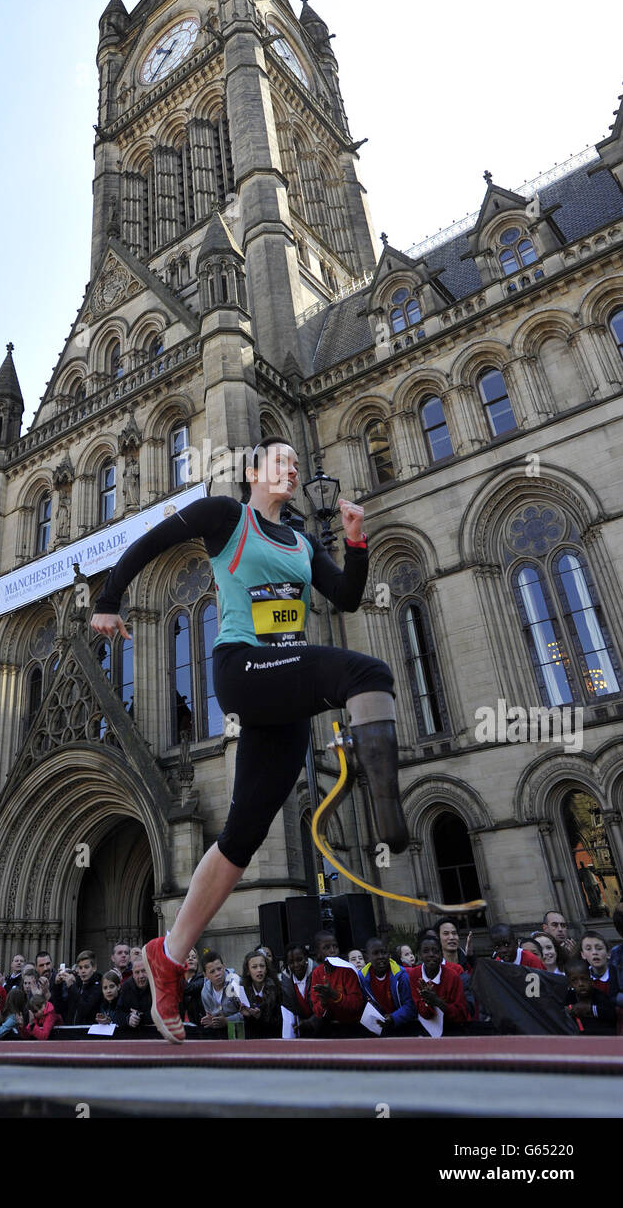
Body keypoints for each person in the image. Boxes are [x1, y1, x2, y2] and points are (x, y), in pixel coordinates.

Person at [91, 437, 405, 1044]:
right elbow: (149, 543)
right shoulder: (225, 516)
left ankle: (170, 952)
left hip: (286, 692)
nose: (289, 469)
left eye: (295, 462)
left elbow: (346, 597)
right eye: (279, 462)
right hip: (243, 667)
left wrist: (357, 540)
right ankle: (389, 814)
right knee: (368, 674)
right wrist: (109, 600)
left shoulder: (302, 543)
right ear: (254, 471)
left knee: (243, 835)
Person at [407, 936, 469, 1035]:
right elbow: (424, 1013)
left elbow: (460, 1015)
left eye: (435, 951)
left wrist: (437, 1001)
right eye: (426, 951)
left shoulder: (453, 976)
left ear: (441, 954)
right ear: (419, 955)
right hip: (427, 1029)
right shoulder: (415, 975)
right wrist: (428, 1002)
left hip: (453, 1029)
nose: (431, 955)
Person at [357, 937, 418, 1036]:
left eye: (384, 952)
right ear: (367, 957)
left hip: (403, 1026)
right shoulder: (362, 978)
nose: (381, 956)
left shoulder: (401, 975)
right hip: (379, 1028)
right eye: (376, 953)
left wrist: (393, 1018)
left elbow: (410, 1005)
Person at [309, 930, 364, 1035]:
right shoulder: (317, 973)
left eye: (335, 946)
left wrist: (334, 995)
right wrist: (324, 1002)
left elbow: (356, 1004)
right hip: (330, 1025)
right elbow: (316, 1010)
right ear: (318, 954)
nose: (333, 951)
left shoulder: (348, 970)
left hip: (352, 1025)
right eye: (327, 948)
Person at [198, 950, 249, 1037]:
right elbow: (210, 1015)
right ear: (205, 975)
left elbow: (247, 1014)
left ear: (224, 967)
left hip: (241, 1031)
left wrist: (226, 1021)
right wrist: (212, 1020)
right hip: (219, 1033)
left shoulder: (236, 983)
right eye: (212, 971)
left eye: (219, 969)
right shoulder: (205, 992)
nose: (217, 974)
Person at [564, 957, 617, 1035]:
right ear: (569, 984)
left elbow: (612, 1014)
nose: (580, 984)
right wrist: (568, 1011)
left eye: (584, 979)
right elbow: (560, 1012)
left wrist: (590, 1009)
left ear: (591, 980)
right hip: (577, 1039)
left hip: (602, 1037)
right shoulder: (569, 997)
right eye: (574, 980)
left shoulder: (599, 995)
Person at [240, 950, 281, 1038]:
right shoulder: (242, 991)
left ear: (266, 969)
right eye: (254, 967)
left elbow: (280, 1021)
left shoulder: (277, 988)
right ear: (248, 971)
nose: (259, 970)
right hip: (252, 1041)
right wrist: (246, 1016)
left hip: (273, 1038)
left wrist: (261, 1016)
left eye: (262, 966)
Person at [279, 943, 316, 1038]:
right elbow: (288, 1007)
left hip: (320, 1027)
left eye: (299, 960)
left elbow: (323, 1007)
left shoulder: (317, 972)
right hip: (299, 1030)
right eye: (291, 962)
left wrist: (309, 1023)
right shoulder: (285, 979)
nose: (296, 965)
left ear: (306, 958)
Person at [114, 956, 155, 1035]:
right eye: (137, 972)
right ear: (132, 973)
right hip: (132, 1035)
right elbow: (118, 1014)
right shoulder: (126, 987)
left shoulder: (157, 985)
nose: (141, 976)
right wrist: (128, 1019)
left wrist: (139, 1017)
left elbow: (162, 1012)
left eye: (144, 971)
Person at [180, 949, 205, 1027]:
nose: (190, 959)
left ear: (197, 962)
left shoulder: (202, 980)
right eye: (187, 957)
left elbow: (189, 988)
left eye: (194, 957)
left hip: (198, 1027)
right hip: (179, 1028)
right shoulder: (178, 981)